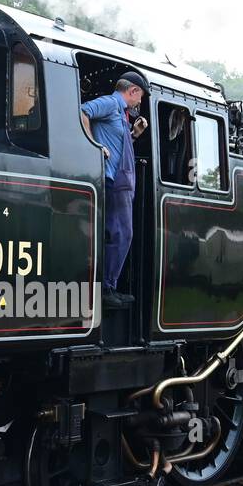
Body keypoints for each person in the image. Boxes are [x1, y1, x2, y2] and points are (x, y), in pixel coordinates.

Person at [81, 71, 148, 308]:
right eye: (139, 97)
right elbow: (83, 111)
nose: (140, 102)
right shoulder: (110, 103)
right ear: (132, 91)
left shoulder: (122, 113)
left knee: (119, 233)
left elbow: (116, 143)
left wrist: (134, 135)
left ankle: (110, 285)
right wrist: (93, 145)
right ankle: (107, 287)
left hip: (119, 181)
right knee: (121, 233)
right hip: (111, 180)